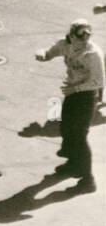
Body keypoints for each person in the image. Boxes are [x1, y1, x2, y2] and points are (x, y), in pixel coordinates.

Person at [35, 20, 102, 190]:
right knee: (66, 128)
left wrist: (76, 89)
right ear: (71, 36)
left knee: (79, 136)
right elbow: (49, 52)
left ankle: (88, 181)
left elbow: (98, 81)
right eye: (79, 40)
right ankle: (74, 165)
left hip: (87, 96)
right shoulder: (66, 45)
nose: (82, 43)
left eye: (85, 40)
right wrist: (42, 54)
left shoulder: (93, 53)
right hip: (73, 92)